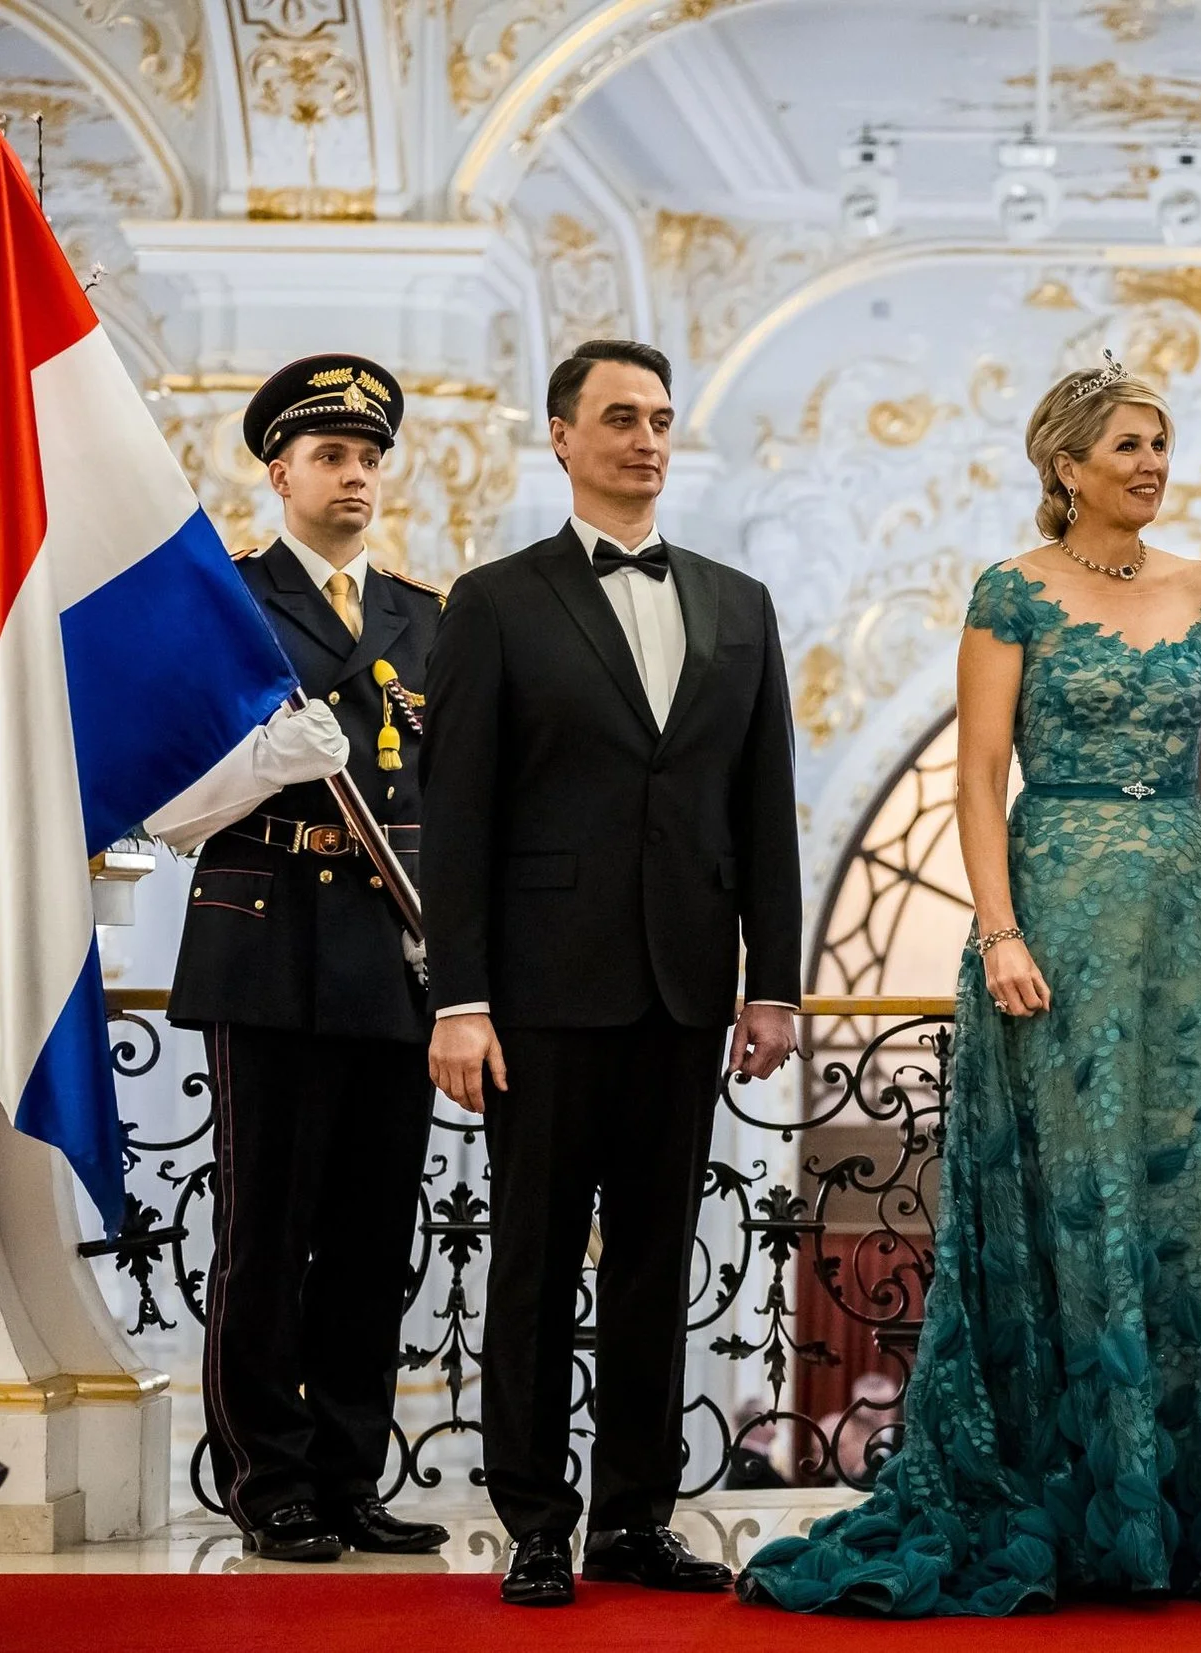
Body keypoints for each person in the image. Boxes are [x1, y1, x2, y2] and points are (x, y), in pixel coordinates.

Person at [737, 356, 1201, 1618]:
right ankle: (1071, 1490)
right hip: (1057, 911)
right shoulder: (1010, 591)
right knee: (1075, 1191)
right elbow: (977, 777)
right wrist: (1000, 929)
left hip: (1185, 918)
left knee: (1189, 1199)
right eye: (1128, 444)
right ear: (1067, 465)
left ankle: (1183, 1496)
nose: (1152, 464)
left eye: (1161, 443)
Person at [422, 338, 804, 1607]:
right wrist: (459, 999)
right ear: (562, 438)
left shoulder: (739, 603)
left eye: (660, 419)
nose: (646, 440)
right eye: (621, 418)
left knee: (654, 1264)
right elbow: (456, 816)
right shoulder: (493, 601)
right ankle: (536, 1521)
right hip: (538, 993)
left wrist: (773, 981)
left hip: (686, 989)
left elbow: (766, 809)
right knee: (533, 1264)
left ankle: (635, 1518)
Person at [147, 353, 448, 1563]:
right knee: (266, 1232)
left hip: (390, 951)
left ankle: (349, 1476)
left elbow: (450, 797)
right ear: (279, 473)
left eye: (369, 457)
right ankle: (266, 1479)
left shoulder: (424, 618)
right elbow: (165, 807)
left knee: (374, 1236)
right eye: (330, 455)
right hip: (266, 943)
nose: (355, 475)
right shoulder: (226, 603)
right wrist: (264, 765)